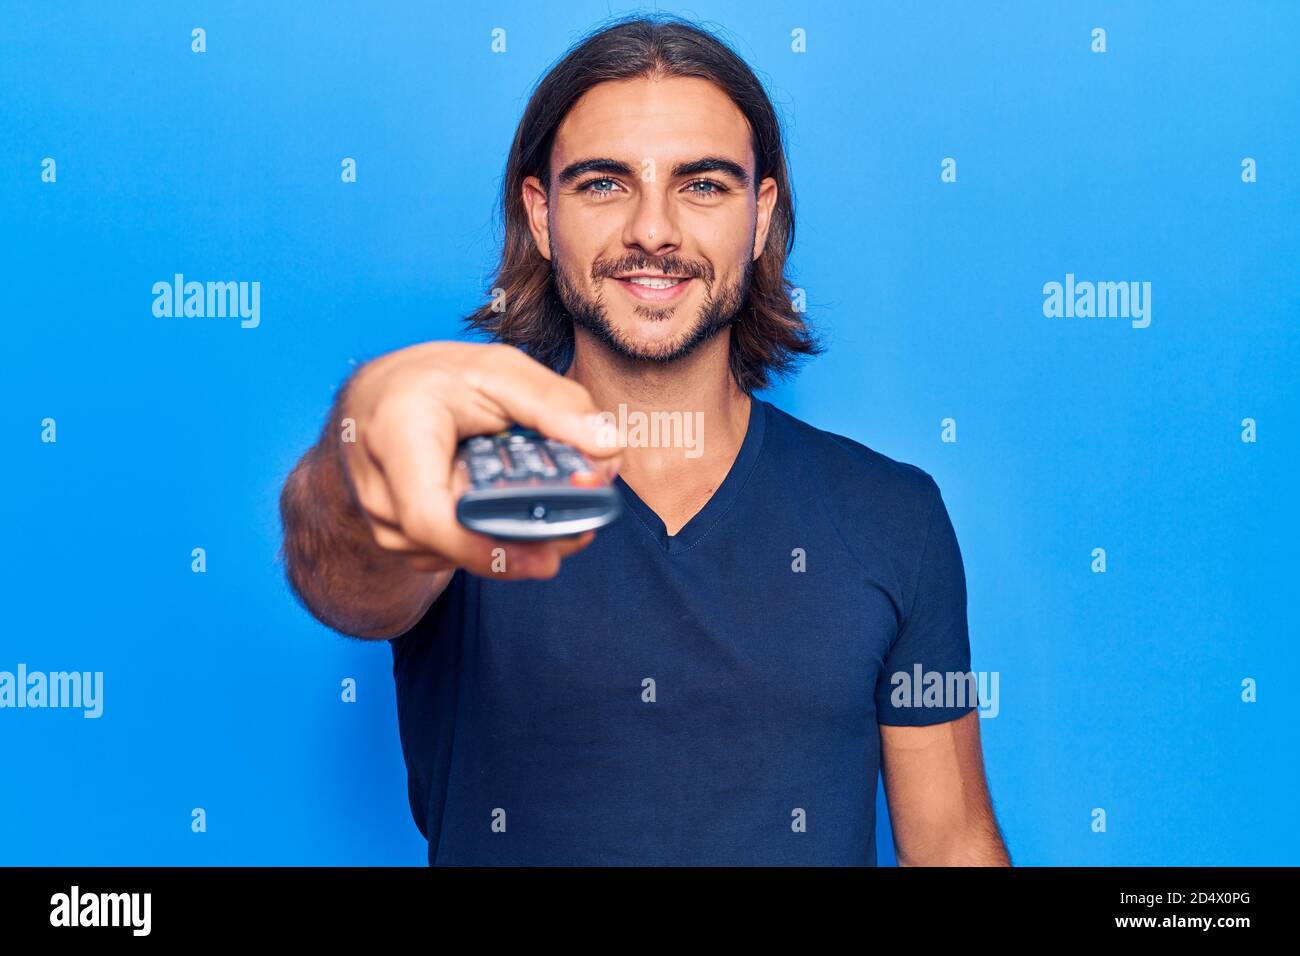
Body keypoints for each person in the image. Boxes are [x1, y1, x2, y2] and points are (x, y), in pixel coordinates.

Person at [279, 14, 1010, 866]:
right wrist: (358, 441)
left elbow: (954, 841)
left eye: (702, 185)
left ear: (761, 216)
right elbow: (344, 574)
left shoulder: (898, 514)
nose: (653, 231)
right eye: (603, 184)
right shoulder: (470, 481)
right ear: (542, 216)